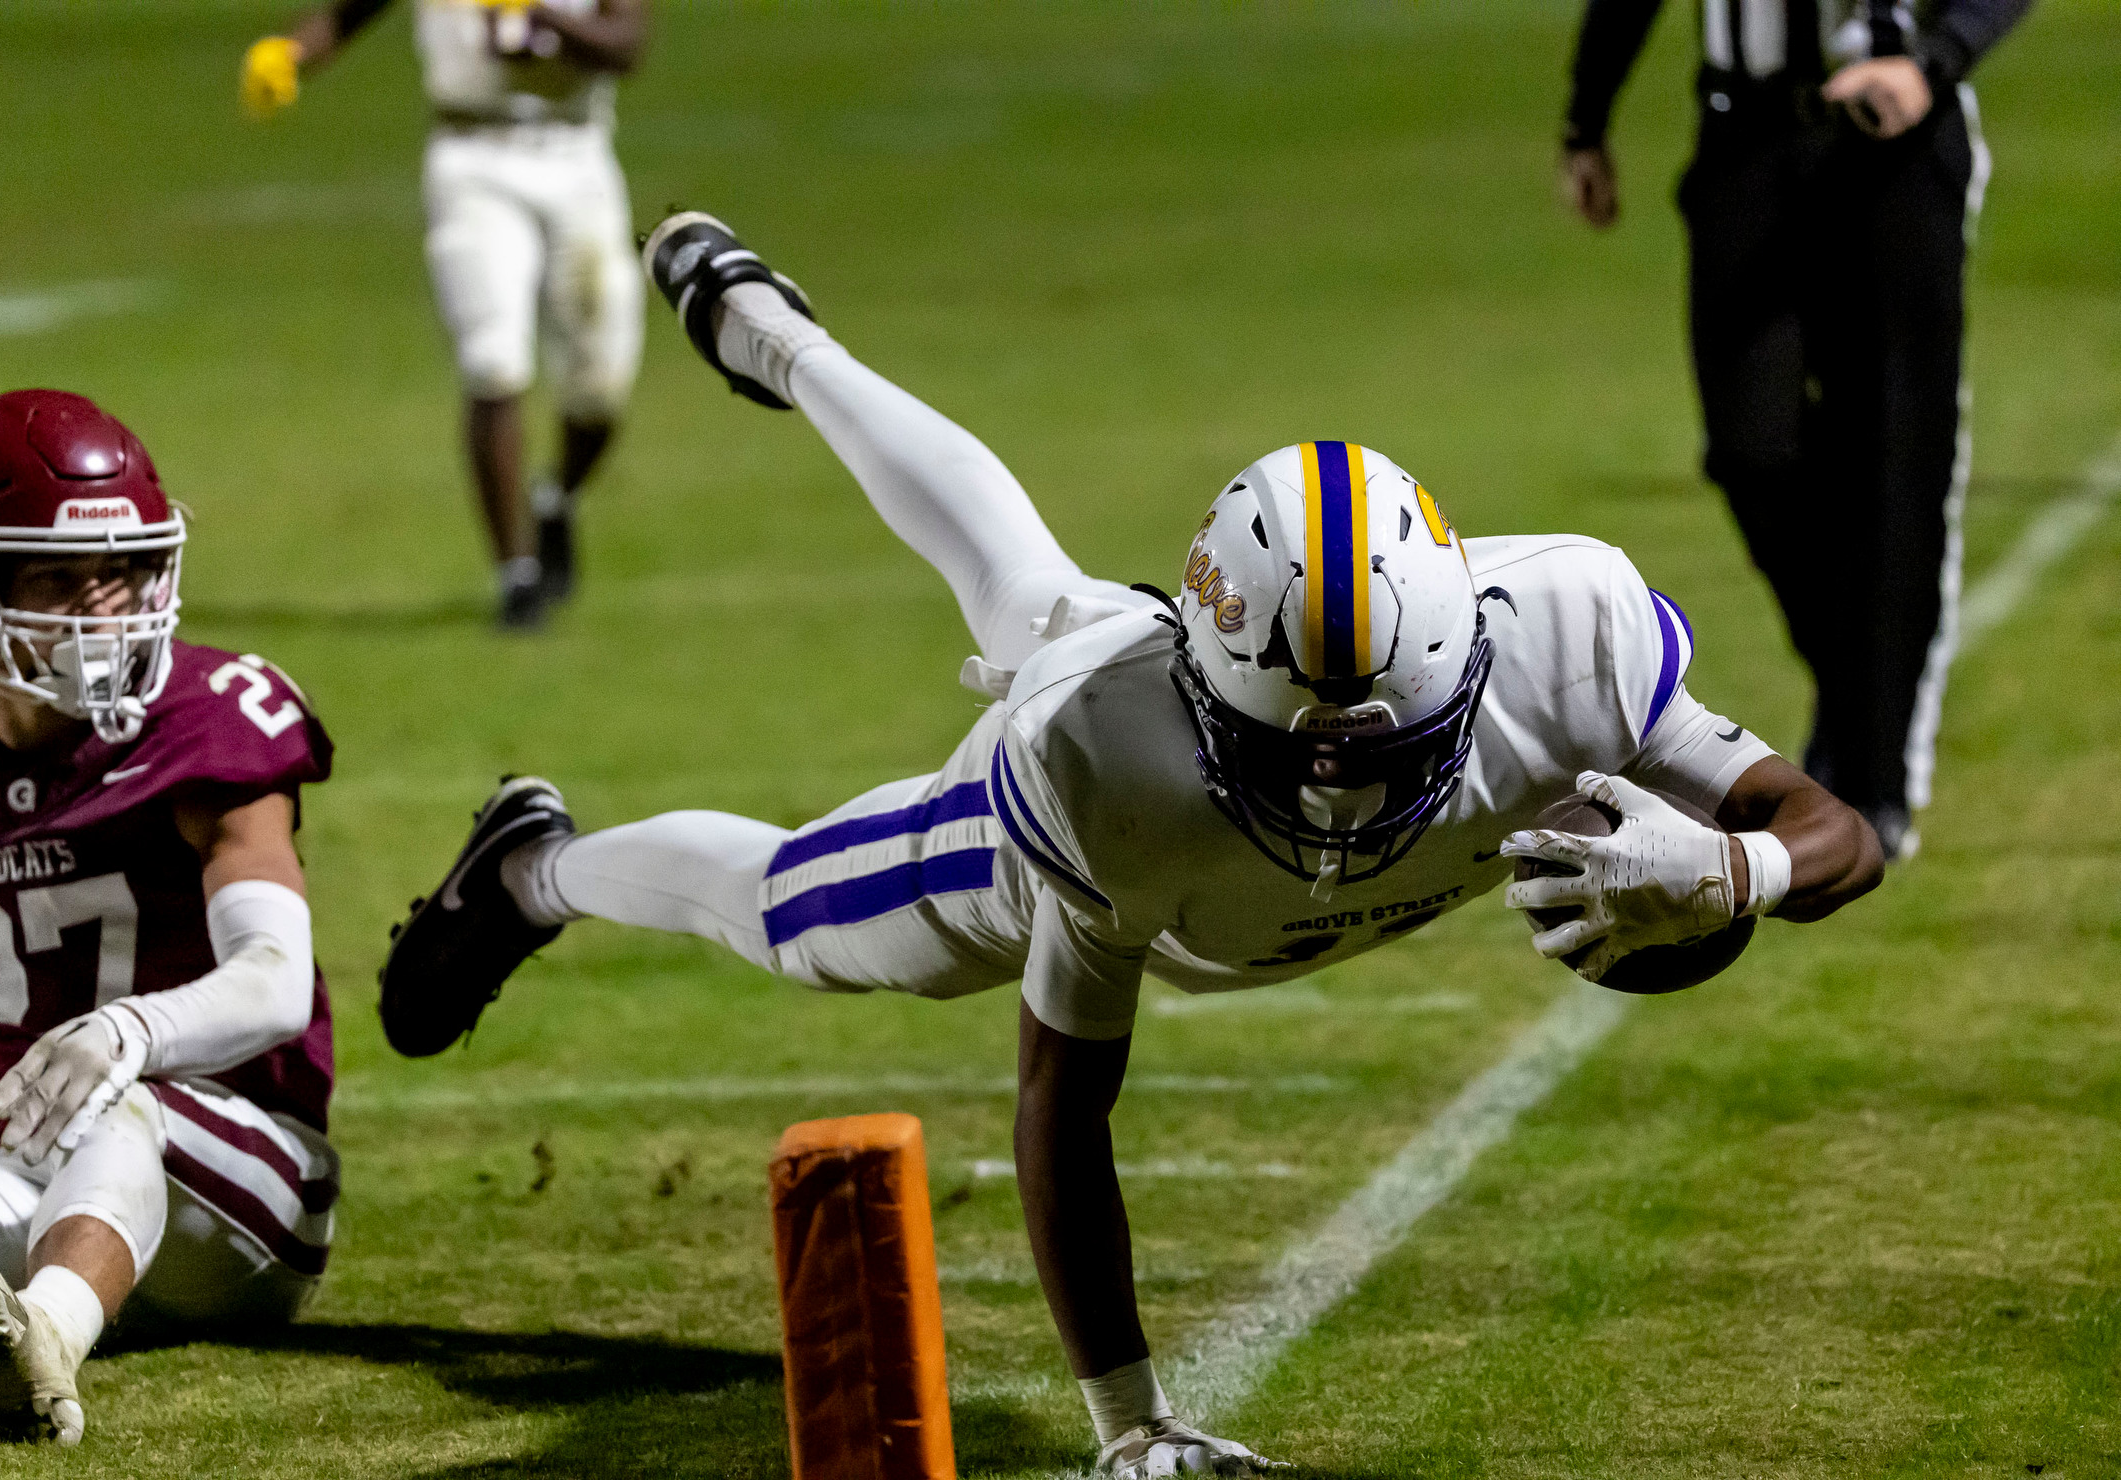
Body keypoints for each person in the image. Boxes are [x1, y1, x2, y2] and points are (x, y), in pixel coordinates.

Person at [377, 213, 1885, 1475]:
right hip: (1103, 854)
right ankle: (532, 868)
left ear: (1469, 664)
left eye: (1385, 752)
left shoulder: (1574, 637)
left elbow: (1838, 831)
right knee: (791, 910)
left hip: (1168, 762)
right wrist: (1129, 1423)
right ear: (1205, 680)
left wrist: (1734, 870)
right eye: (1296, 755)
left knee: (1028, 575)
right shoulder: (1104, 762)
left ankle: (772, 335)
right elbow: (1060, 1106)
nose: (1344, 801)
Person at [0, 391, 337, 1445]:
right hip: (37, 1181)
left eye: (126, 571)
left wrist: (131, 1031)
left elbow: (275, 979)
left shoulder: (207, 721)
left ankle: (40, 1345)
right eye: (57, 578)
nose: (106, 610)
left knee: (122, 1102)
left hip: (248, 1188)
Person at [1560, 0, 2034, 860]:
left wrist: (1932, 60)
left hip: (1891, 146)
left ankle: (1876, 780)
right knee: (1752, 452)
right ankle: (1856, 702)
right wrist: (1586, 117)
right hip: (1743, 139)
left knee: (1894, 466)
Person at [240, 0, 650, 628]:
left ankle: (554, 498)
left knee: (600, 387)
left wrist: (542, 22)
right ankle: (517, 574)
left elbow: (627, 45)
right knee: (492, 363)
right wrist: (292, 52)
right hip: (472, 158)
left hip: (575, 156)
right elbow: (351, 12)